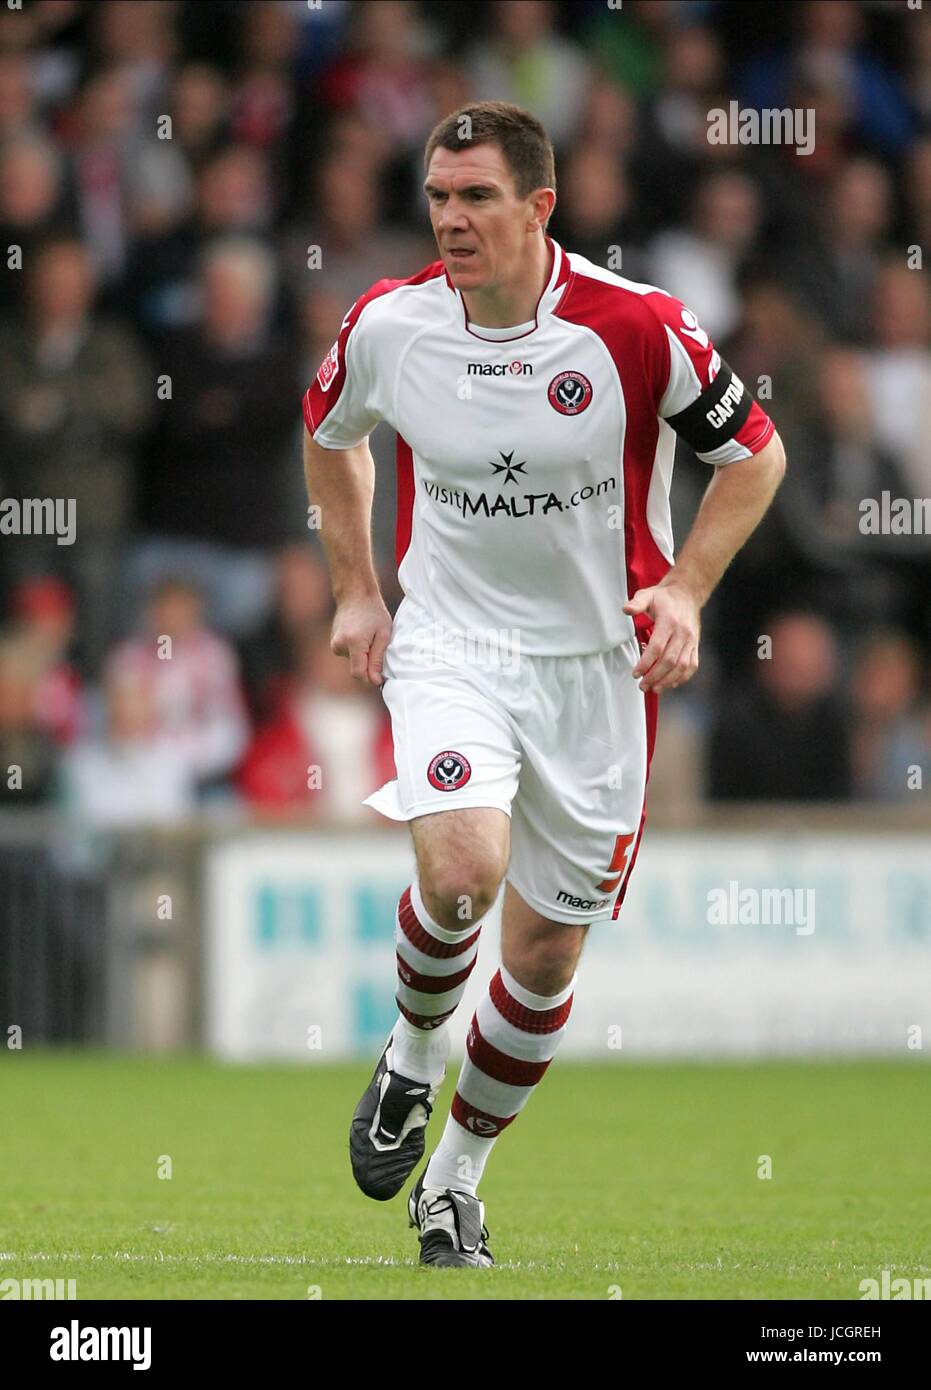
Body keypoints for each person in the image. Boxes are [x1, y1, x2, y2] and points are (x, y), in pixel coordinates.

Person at [302, 102, 785, 1268]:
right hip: (453, 645)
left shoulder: (637, 328)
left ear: (538, 206)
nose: (451, 218)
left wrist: (684, 592)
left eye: (475, 196)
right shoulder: (391, 323)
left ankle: (456, 1184)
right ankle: (416, 1052)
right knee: (462, 872)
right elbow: (328, 432)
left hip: (598, 673)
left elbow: (755, 456)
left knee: (546, 959)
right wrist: (360, 590)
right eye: (436, 195)